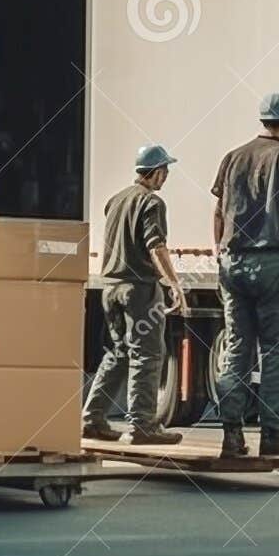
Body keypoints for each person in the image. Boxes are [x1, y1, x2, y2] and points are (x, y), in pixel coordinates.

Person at [211, 93, 279, 457]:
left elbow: (218, 212)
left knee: (237, 347)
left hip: (233, 261)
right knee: (276, 348)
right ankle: (273, 435)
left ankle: (232, 435)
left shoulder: (232, 158)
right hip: (271, 262)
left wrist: (220, 256)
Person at [81, 144, 189, 445]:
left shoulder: (116, 200)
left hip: (110, 288)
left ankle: (92, 419)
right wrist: (174, 285)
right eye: (165, 171)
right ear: (156, 172)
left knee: (119, 352)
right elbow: (156, 247)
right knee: (147, 354)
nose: (166, 177)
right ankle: (142, 426)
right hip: (139, 289)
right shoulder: (151, 202)